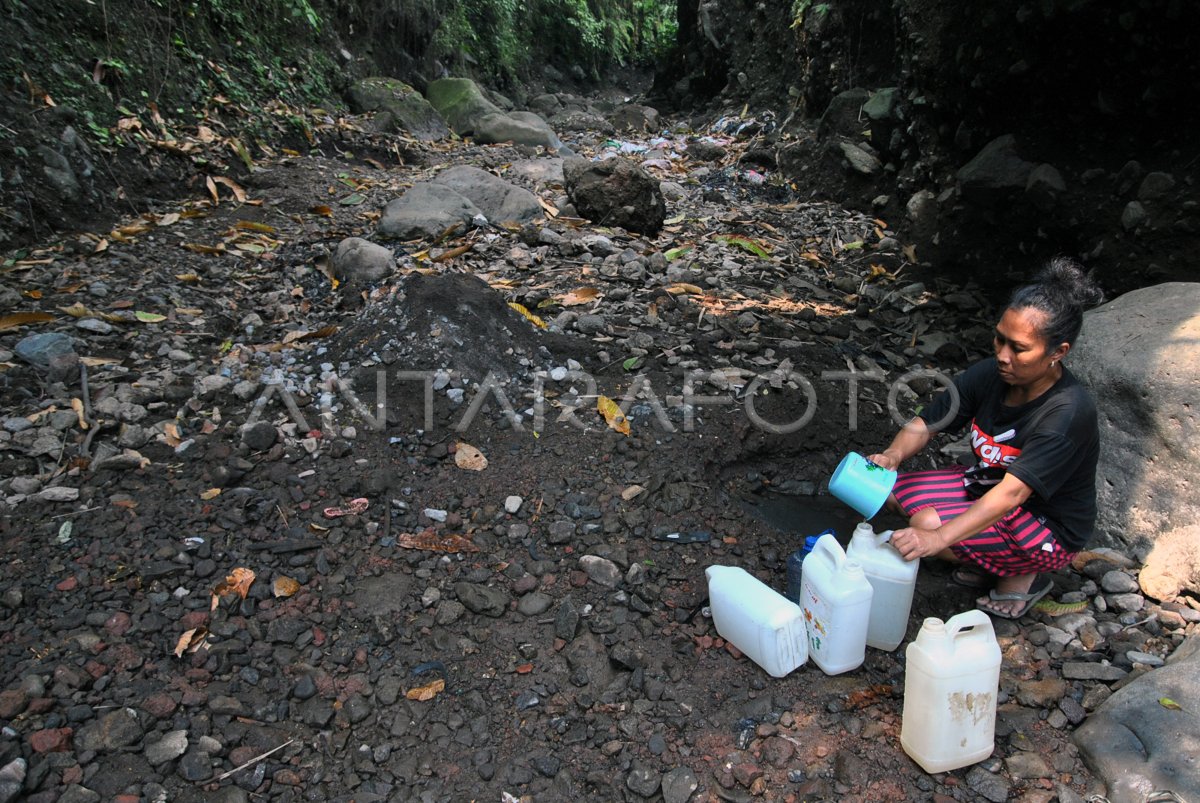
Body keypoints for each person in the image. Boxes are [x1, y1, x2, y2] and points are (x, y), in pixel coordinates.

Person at [868, 258, 1104, 619]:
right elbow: (927, 423)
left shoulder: (1067, 413)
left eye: (1019, 349)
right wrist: (892, 456)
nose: (1002, 356)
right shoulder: (992, 375)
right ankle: (986, 559)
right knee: (888, 489)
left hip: (1047, 525)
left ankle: (1024, 577)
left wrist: (937, 538)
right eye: (1000, 339)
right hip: (988, 484)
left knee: (926, 525)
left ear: (1058, 352)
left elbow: (1012, 496)